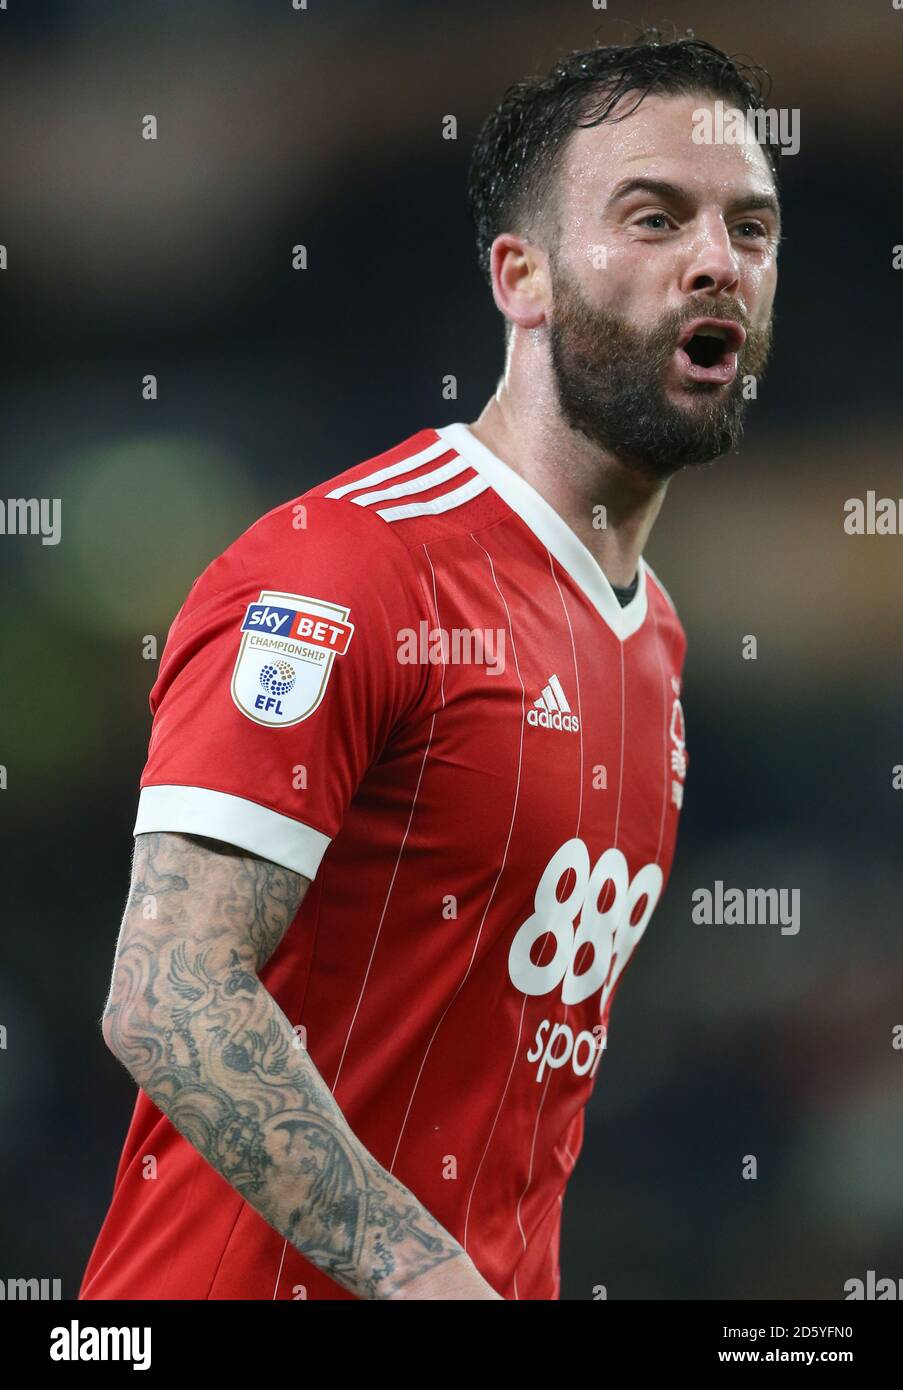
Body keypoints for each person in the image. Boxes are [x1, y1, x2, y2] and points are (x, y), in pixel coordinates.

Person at [80, 31, 779, 1301]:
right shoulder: (341, 571)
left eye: (751, 226)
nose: (716, 260)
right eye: (654, 216)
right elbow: (169, 995)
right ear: (522, 277)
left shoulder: (656, 641)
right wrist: (422, 1276)